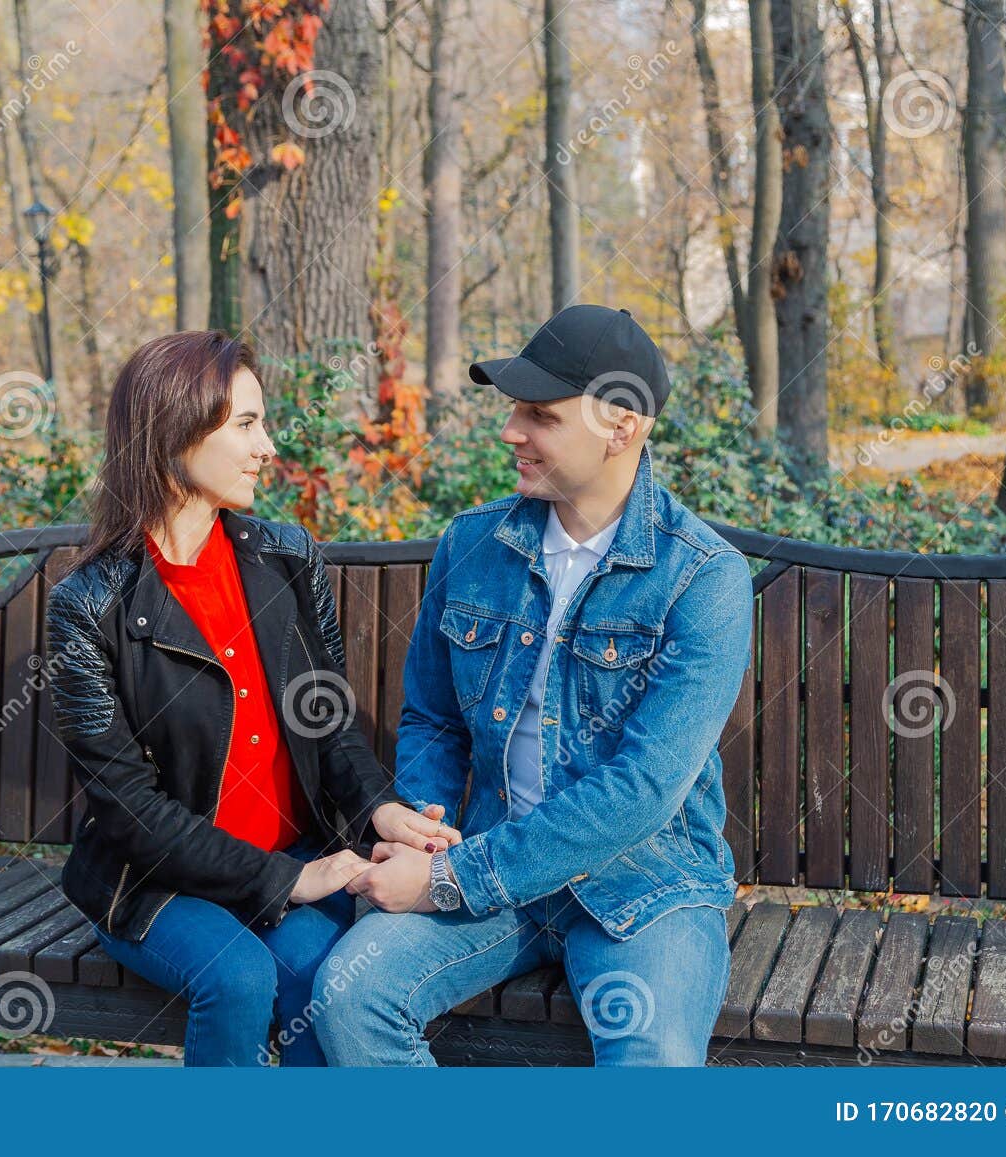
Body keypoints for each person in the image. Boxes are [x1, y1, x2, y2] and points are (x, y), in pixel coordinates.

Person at [312, 304, 755, 1066]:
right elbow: (434, 718)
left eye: (540, 415)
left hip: (642, 882)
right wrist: (426, 825)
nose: (510, 431)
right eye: (514, 409)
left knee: (652, 1064)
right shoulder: (473, 543)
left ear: (623, 428)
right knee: (350, 996)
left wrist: (450, 878)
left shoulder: (703, 577)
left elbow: (644, 788)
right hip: (490, 861)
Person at [44, 330, 459, 1066]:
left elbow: (329, 726)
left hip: (287, 856)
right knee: (237, 977)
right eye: (245, 424)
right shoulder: (89, 605)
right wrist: (291, 880)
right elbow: (132, 811)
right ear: (171, 432)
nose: (268, 447)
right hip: (156, 880)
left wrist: (380, 810)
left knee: (330, 980)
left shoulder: (285, 559)